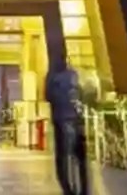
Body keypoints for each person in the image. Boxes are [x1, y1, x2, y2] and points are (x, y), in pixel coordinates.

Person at [45, 57, 88, 195]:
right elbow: (83, 94)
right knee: (79, 157)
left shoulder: (53, 77)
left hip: (62, 119)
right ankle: (82, 189)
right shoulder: (74, 75)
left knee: (64, 156)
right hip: (76, 118)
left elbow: (48, 96)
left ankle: (69, 189)